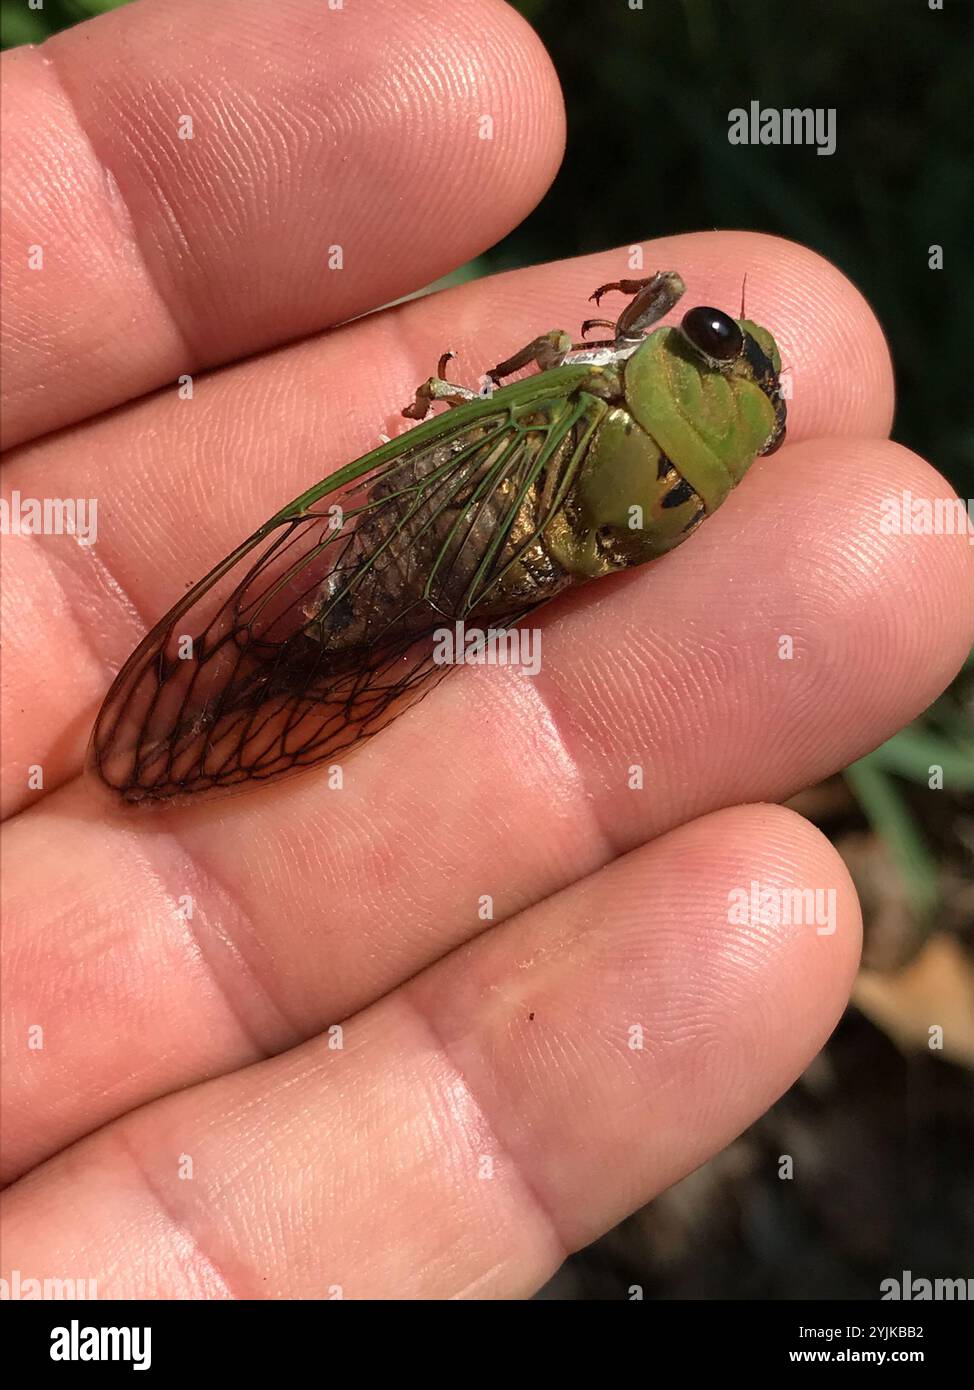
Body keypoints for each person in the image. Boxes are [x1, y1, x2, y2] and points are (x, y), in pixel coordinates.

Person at [2, 0, 972, 1299]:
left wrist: (520, 389)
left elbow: (543, 357)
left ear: (659, 355)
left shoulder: (594, 373)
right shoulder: (686, 484)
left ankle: (240, 680)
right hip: (497, 566)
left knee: (299, 566)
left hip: (444, 486)